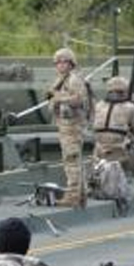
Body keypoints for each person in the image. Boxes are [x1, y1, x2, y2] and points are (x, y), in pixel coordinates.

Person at [89, 75, 134, 213]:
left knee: (97, 151)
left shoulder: (98, 106)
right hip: (120, 153)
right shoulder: (130, 108)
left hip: (100, 154)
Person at [47, 47, 95, 208]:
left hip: (73, 126)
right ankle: (80, 193)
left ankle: (74, 196)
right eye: (57, 62)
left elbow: (78, 100)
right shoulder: (62, 79)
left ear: (71, 63)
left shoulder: (74, 79)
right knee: (72, 160)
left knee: (71, 160)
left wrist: (59, 98)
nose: (60, 65)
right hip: (65, 126)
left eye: (63, 61)